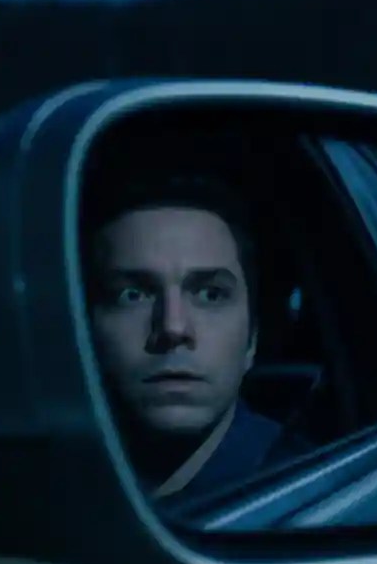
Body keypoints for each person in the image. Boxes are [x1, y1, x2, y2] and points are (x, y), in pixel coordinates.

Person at [82, 172, 307, 502]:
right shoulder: (53, 486)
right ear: (84, 329)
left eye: (211, 294)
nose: (173, 328)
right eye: (132, 295)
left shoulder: (298, 486)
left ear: (252, 340)